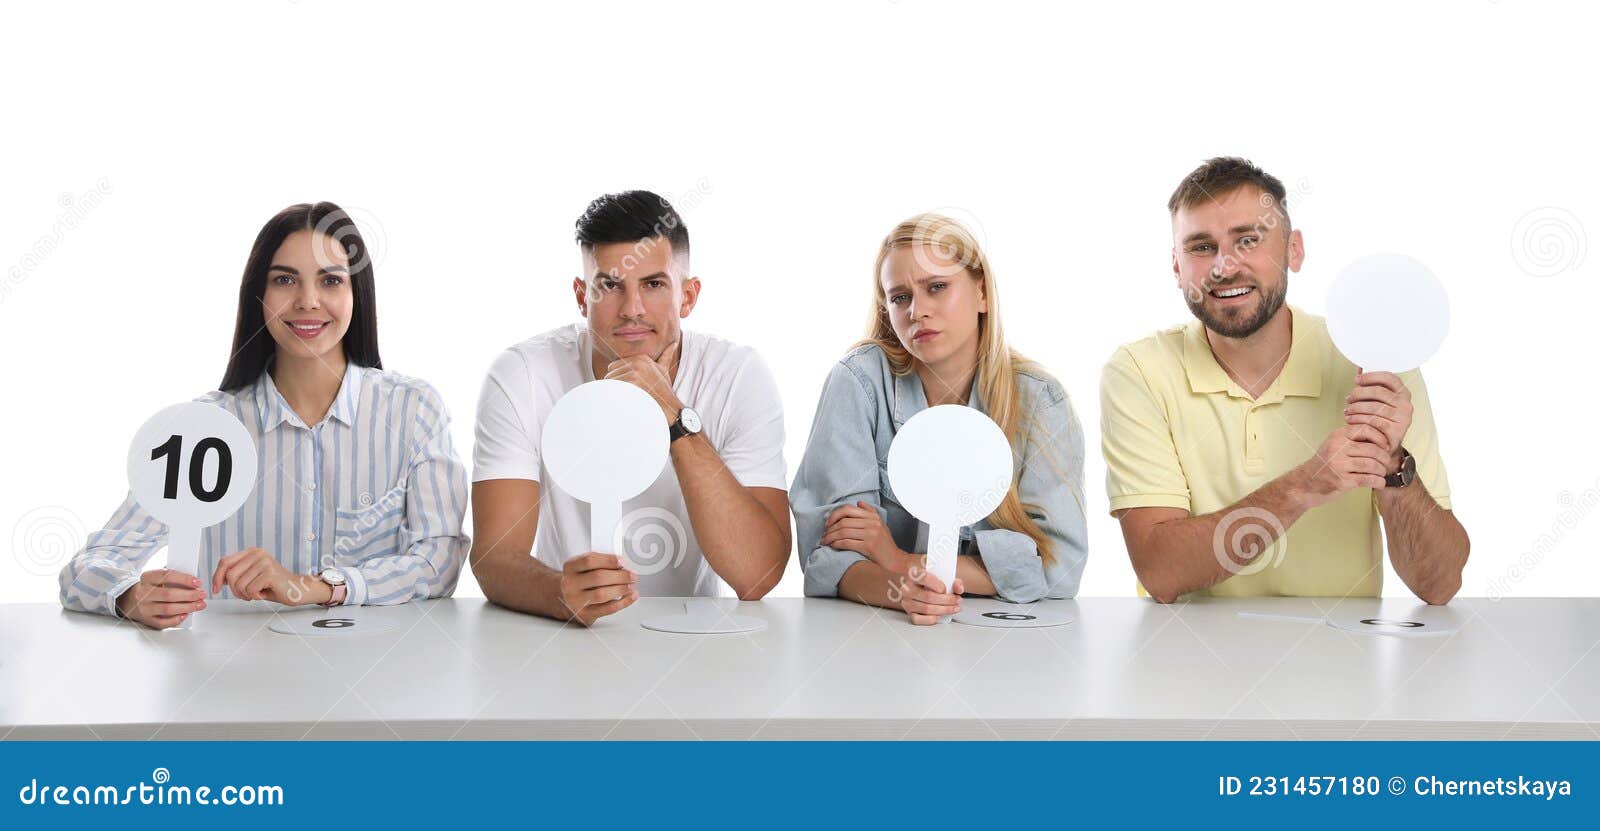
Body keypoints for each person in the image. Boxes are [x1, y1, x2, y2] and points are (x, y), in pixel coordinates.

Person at [60, 202, 470, 628]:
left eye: (330, 280)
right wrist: (128, 595)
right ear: (259, 294)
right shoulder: (202, 429)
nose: (308, 301)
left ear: (357, 294)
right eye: (285, 280)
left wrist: (318, 586)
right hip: (229, 680)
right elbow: (87, 567)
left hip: (374, 676)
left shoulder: (412, 410)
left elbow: (438, 561)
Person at [1101, 157, 1469, 604]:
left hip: (1343, 662)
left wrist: (1392, 465)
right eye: (1200, 247)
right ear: (1177, 267)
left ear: (1293, 250)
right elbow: (1161, 572)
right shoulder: (1140, 370)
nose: (1224, 266)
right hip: (1188, 664)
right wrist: (1305, 486)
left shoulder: (1376, 365)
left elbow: (1439, 584)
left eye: (1249, 239)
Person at [469, 191, 790, 625]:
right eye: (610, 286)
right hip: (561, 636)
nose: (632, 310)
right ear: (582, 296)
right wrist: (559, 593)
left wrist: (674, 415)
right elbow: (493, 556)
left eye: (654, 285)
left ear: (688, 296)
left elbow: (758, 575)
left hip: (689, 636)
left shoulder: (738, 375)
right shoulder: (523, 374)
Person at [791, 213, 1088, 625]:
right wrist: (902, 596)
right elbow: (829, 557)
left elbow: (1060, 566)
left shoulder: (1041, 401)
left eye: (936, 288)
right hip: (873, 636)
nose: (917, 311)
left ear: (982, 293)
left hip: (1000, 644)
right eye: (899, 297)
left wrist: (898, 560)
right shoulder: (857, 382)